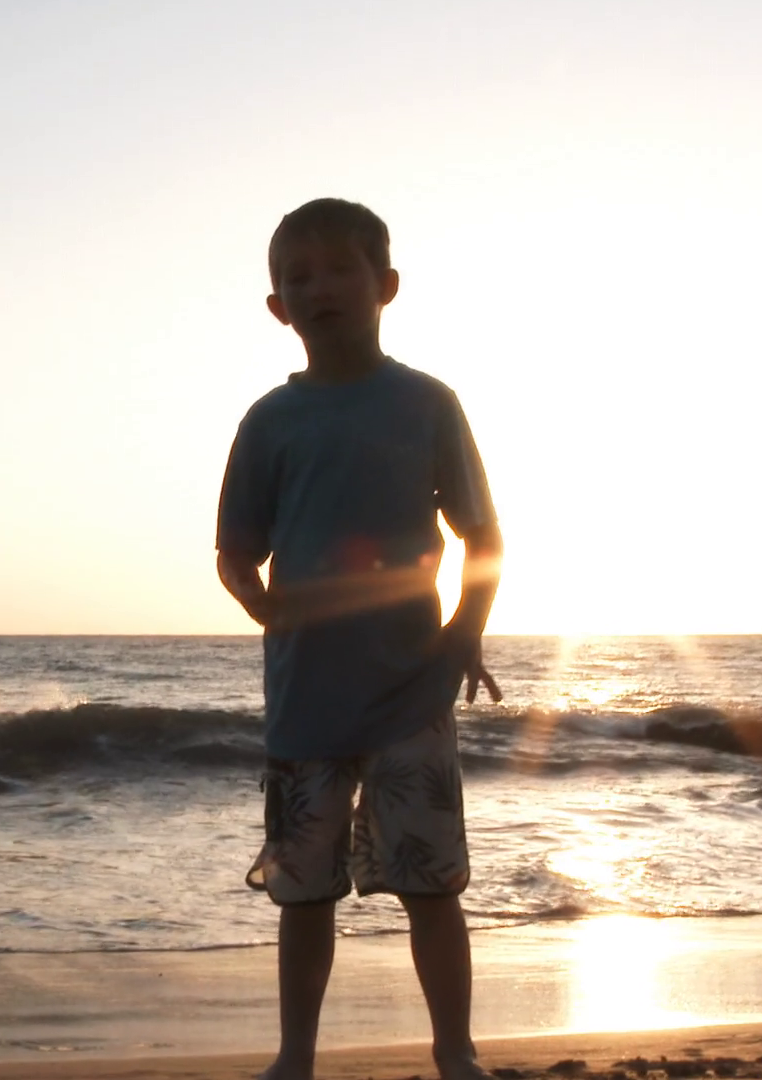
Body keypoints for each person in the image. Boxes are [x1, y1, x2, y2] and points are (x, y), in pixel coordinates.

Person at [216, 198, 503, 1080]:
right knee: (303, 896)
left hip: (410, 690)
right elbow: (235, 554)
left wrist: (464, 631)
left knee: (430, 886)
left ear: (385, 287)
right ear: (277, 309)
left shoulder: (427, 404)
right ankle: (294, 1058)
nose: (319, 288)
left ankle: (454, 1053)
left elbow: (481, 540)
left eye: (340, 270)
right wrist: (270, 615)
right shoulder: (271, 421)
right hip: (305, 703)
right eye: (297, 277)